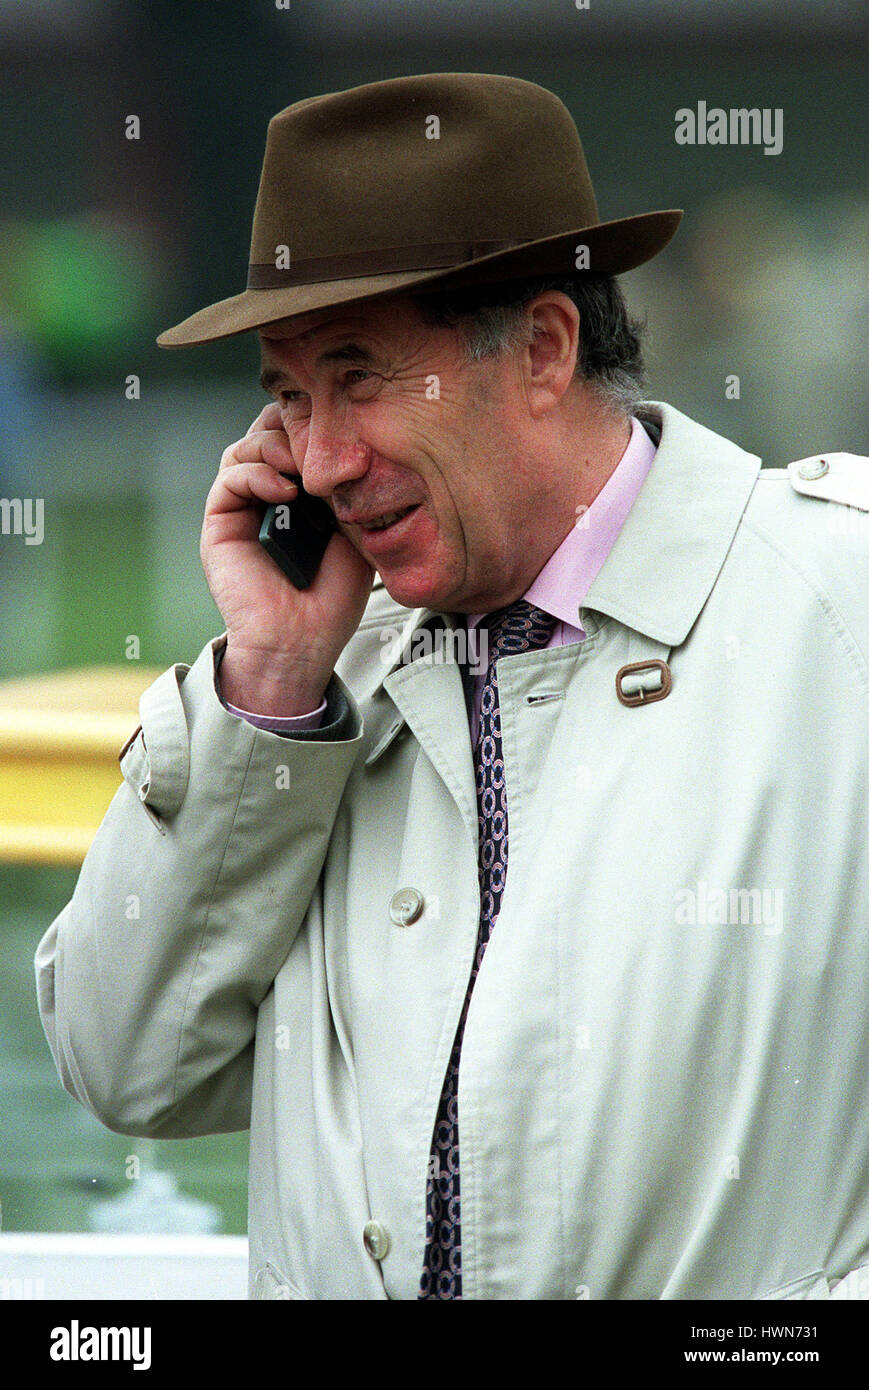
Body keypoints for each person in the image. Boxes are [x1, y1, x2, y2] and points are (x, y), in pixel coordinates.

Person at [35, 73, 869, 1301]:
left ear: (542, 348)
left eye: (360, 377)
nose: (320, 460)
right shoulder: (306, 678)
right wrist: (268, 686)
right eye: (288, 396)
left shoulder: (837, 607)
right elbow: (127, 1071)